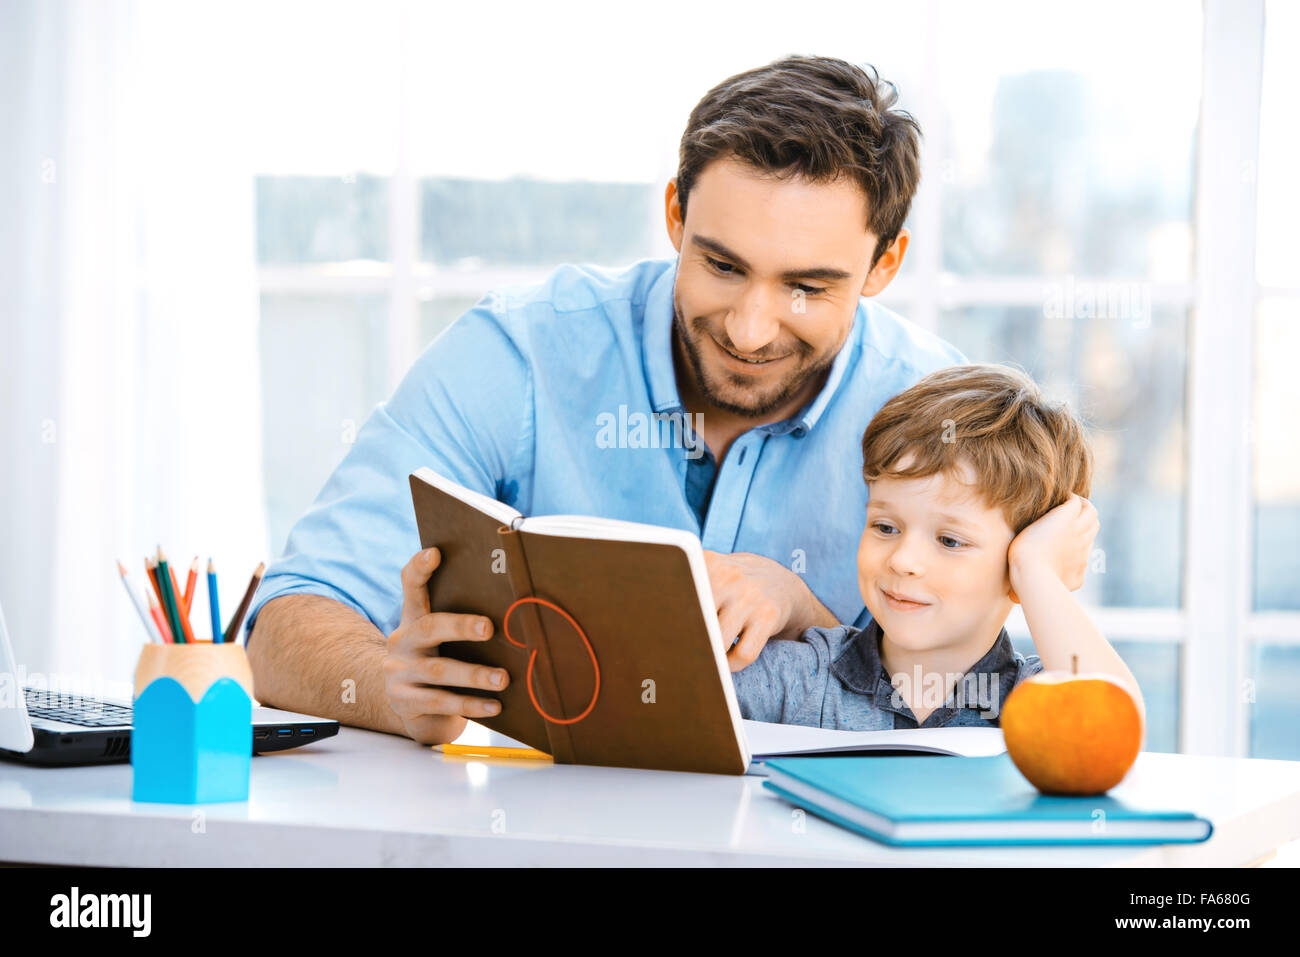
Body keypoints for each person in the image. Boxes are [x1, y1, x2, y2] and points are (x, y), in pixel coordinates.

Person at [244, 57, 1095, 746]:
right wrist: (382, 683)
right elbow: (284, 622)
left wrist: (809, 610)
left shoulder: (935, 422)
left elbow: (992, 676)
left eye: (806, 286)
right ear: (674, 214)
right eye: (722, 265)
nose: (753, 329)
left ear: (886, 264)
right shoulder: (521, 355)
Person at [732, 363, 1143, 730]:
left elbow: (1115, 727)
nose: (904, 561)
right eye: (885, 526)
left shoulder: (1035, 699)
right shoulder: (797, 676)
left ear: (1016, 568)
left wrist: (1037, 571)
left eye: (949, 540)